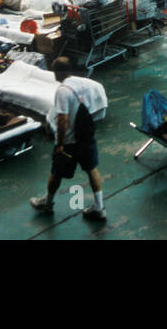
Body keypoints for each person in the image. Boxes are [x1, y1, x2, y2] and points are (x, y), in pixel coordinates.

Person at [30, 57, 105, 222]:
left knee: (56, 172)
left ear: (56, 72)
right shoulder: (84, 82)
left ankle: (48, 204)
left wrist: (60, 144)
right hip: (87, 136)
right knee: (91, 169)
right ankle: (99, 207)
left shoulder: (62, 91)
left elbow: (62, 119)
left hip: (70, 141)